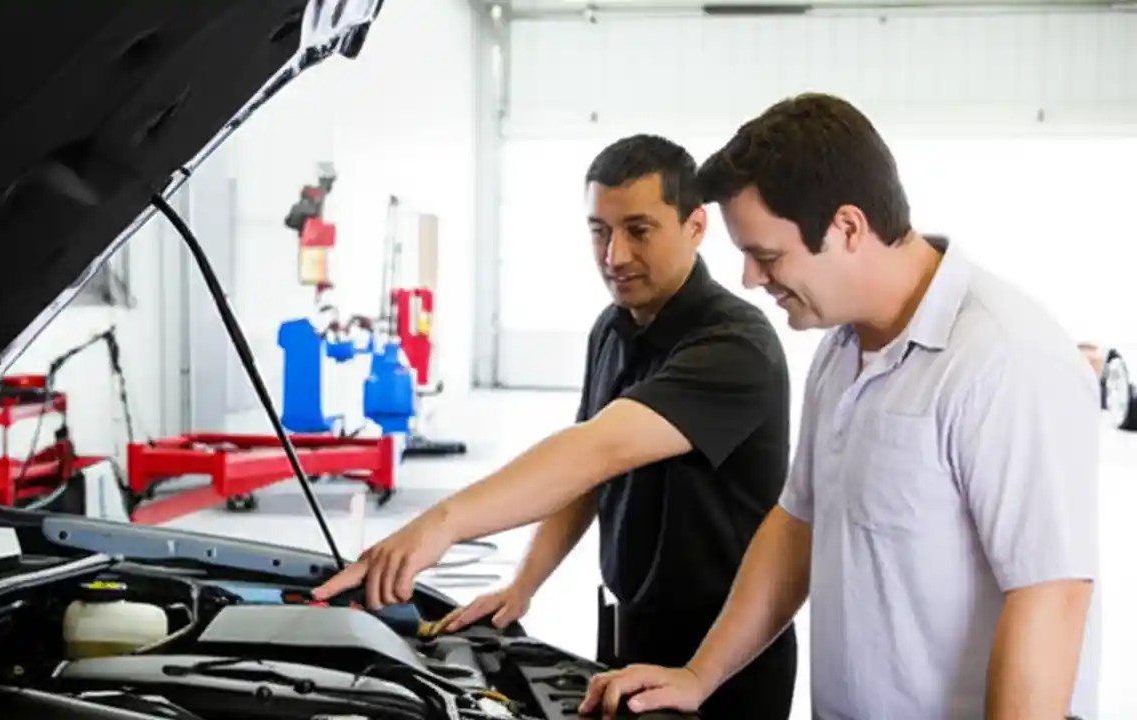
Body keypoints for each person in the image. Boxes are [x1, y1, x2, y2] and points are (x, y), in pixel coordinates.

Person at [577, 93, 1102, 720]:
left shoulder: (1004, 358)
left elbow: (1050, 594)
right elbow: (797, 524)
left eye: (766, 256)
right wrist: (700, 674)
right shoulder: (841, 350)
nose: (749, 278)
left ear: (847, 228)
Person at [314, 134, 798, 718]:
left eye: (639, 230)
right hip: (632, 629)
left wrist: (441, 525)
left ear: (696, 226)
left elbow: (594, 450)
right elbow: (585, 479)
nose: (614, 256)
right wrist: (524, 586)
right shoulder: (613, 329)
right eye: (600, 231)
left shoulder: (735, 344)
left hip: (726, 651)